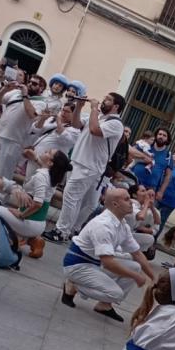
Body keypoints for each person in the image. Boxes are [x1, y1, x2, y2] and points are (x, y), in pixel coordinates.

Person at [60, 186, 155, 320]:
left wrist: (153, 278)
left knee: (135, 267)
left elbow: (137, 253)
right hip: (78, 265)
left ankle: (104, 305)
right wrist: (136, 277)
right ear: (115, 204)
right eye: (126, 199)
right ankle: (73, 284)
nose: (131, 202)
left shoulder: (122, 224)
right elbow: (108, 263)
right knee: (117, 293)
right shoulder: (103, 225)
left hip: (95, 263)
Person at [45, 92, 126, 242]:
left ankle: (61, 231)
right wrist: (79, 107)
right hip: (79, 161)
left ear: (116, 106)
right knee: (77, 200)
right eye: (105, 98)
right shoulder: (98, 116)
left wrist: (94, 108)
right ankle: (69, 230)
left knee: (71, 197)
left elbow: (95, 130)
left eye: (108, 100)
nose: (103, 101)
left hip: (89, 166)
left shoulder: (116, 124)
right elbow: (76, 124)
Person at [0, 150, 71, 258]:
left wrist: (21, 215)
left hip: (29, 222)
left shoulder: (41, 176)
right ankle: (33, 240)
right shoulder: (51, 175)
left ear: (50, 163)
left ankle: (19, 238)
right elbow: (44, 166)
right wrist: (35, 158)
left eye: (48, 152)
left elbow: (38, 203)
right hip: (38, 223)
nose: (45, 151)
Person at [0, 73, 47, 179]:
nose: (30, 84)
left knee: (2, 176)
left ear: (41, 88)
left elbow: (32, 115)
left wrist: (25, 95)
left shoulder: (41, 103)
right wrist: (4, 89)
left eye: (34, 84)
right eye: (29, 82)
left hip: (13, 143)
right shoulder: (15, 93)